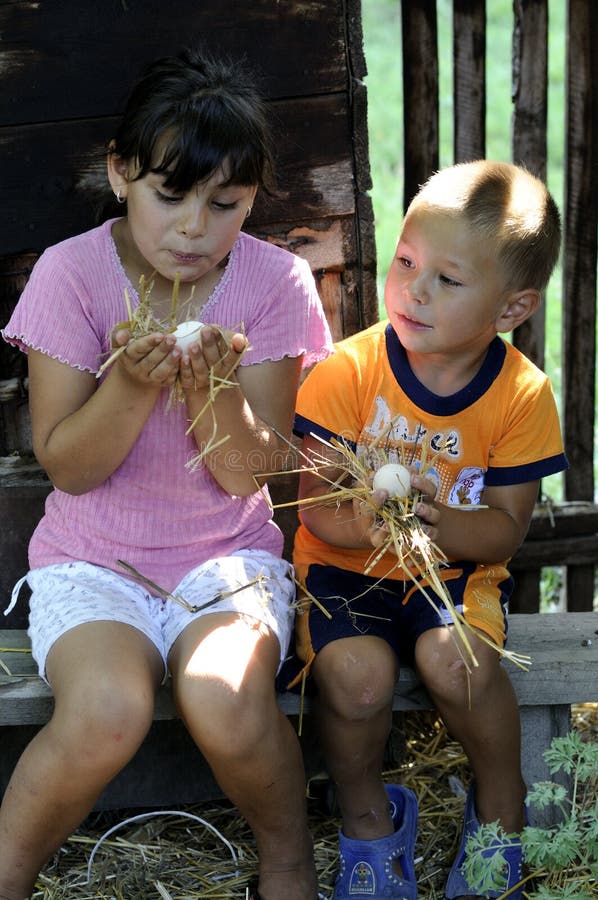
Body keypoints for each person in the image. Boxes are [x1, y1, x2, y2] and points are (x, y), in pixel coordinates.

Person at [0, 45, 332, 900]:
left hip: (227, 557)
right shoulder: (72, 276)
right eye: (170, 194)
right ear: (120, 174)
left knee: (225, 698)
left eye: (225, 204)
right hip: (93, 561)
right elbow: (69, 468)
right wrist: (133, 387)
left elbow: (255, 470)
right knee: (104, 711)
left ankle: (287, 862)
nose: (194, 227)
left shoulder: (273, 282)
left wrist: (213, 393)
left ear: (252, 197)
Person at [285, 160, 566, 899]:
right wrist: (374, 528)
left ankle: (500, 817)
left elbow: (503, 536)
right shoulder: (345, 374)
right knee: (356, 678)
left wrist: (435, 529)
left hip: (451, 572)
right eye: (407, 262)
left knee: (459, 664)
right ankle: (370, 826)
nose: (414, 289)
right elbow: (313, 510)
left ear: (511, 308)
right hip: (344, 568)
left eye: (447, 279)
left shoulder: (522, 396)